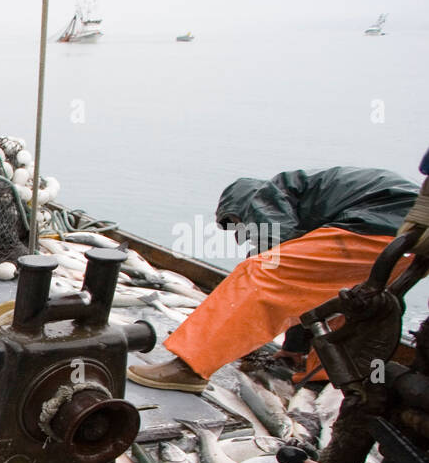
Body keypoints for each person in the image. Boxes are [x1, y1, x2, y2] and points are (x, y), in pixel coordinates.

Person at [127, 165, 421, 393]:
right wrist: (294, 348)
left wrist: (246, 324)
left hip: (381, 224)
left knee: (258, 274)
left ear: (239, 210)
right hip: (413, 236)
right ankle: (321, 372)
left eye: (236, 227)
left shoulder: (264, 195)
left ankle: (189, 367)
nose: (241, 236)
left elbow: (277, 267)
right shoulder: (305, 195)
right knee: (347, 299)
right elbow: (306, 289)